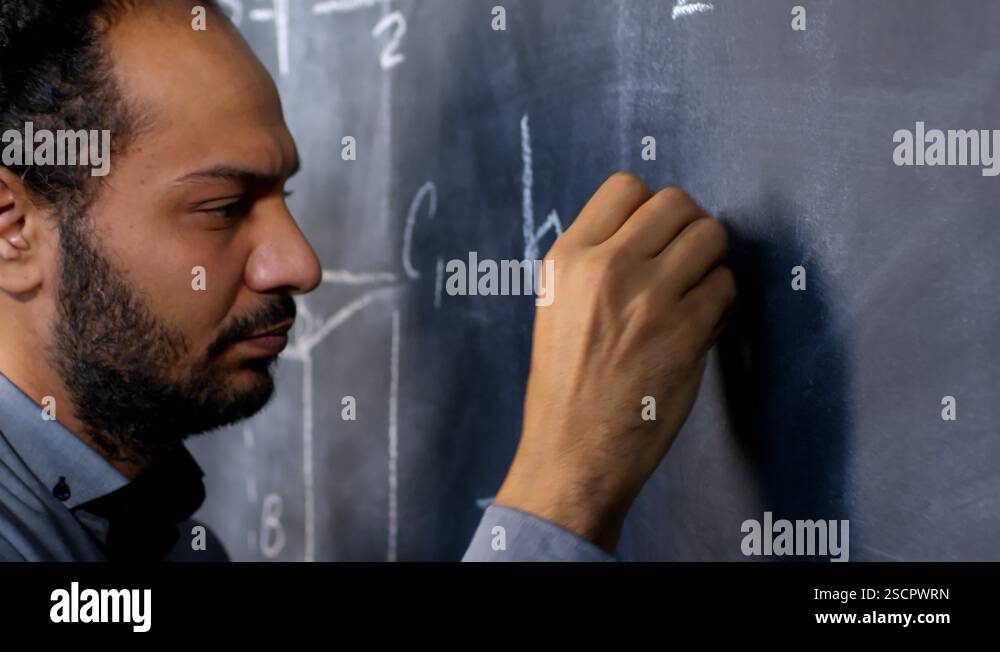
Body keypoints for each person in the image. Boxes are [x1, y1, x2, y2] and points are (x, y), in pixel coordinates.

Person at [0, 0, 735, 562]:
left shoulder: (144, 529)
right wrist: (567, 484)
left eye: (282, 197)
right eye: (223, 209)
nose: (300, 264)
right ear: (14, 229)